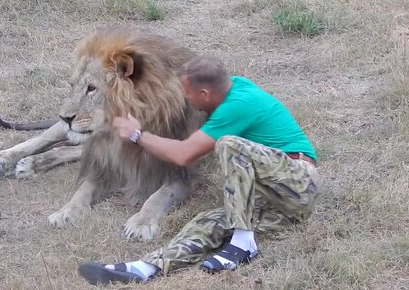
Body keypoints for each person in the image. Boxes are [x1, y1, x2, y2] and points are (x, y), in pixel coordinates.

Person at [77, 55, 322, 285]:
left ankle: (243, 244)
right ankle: (142, 268)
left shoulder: (238, 105)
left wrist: (136, 134)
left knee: (229, 145)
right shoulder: (230, 90)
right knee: (204, 222)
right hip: (277, 205)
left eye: (188, 94)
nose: (186, 99)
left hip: (298, 182)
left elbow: (183, 155)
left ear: (205, 93)